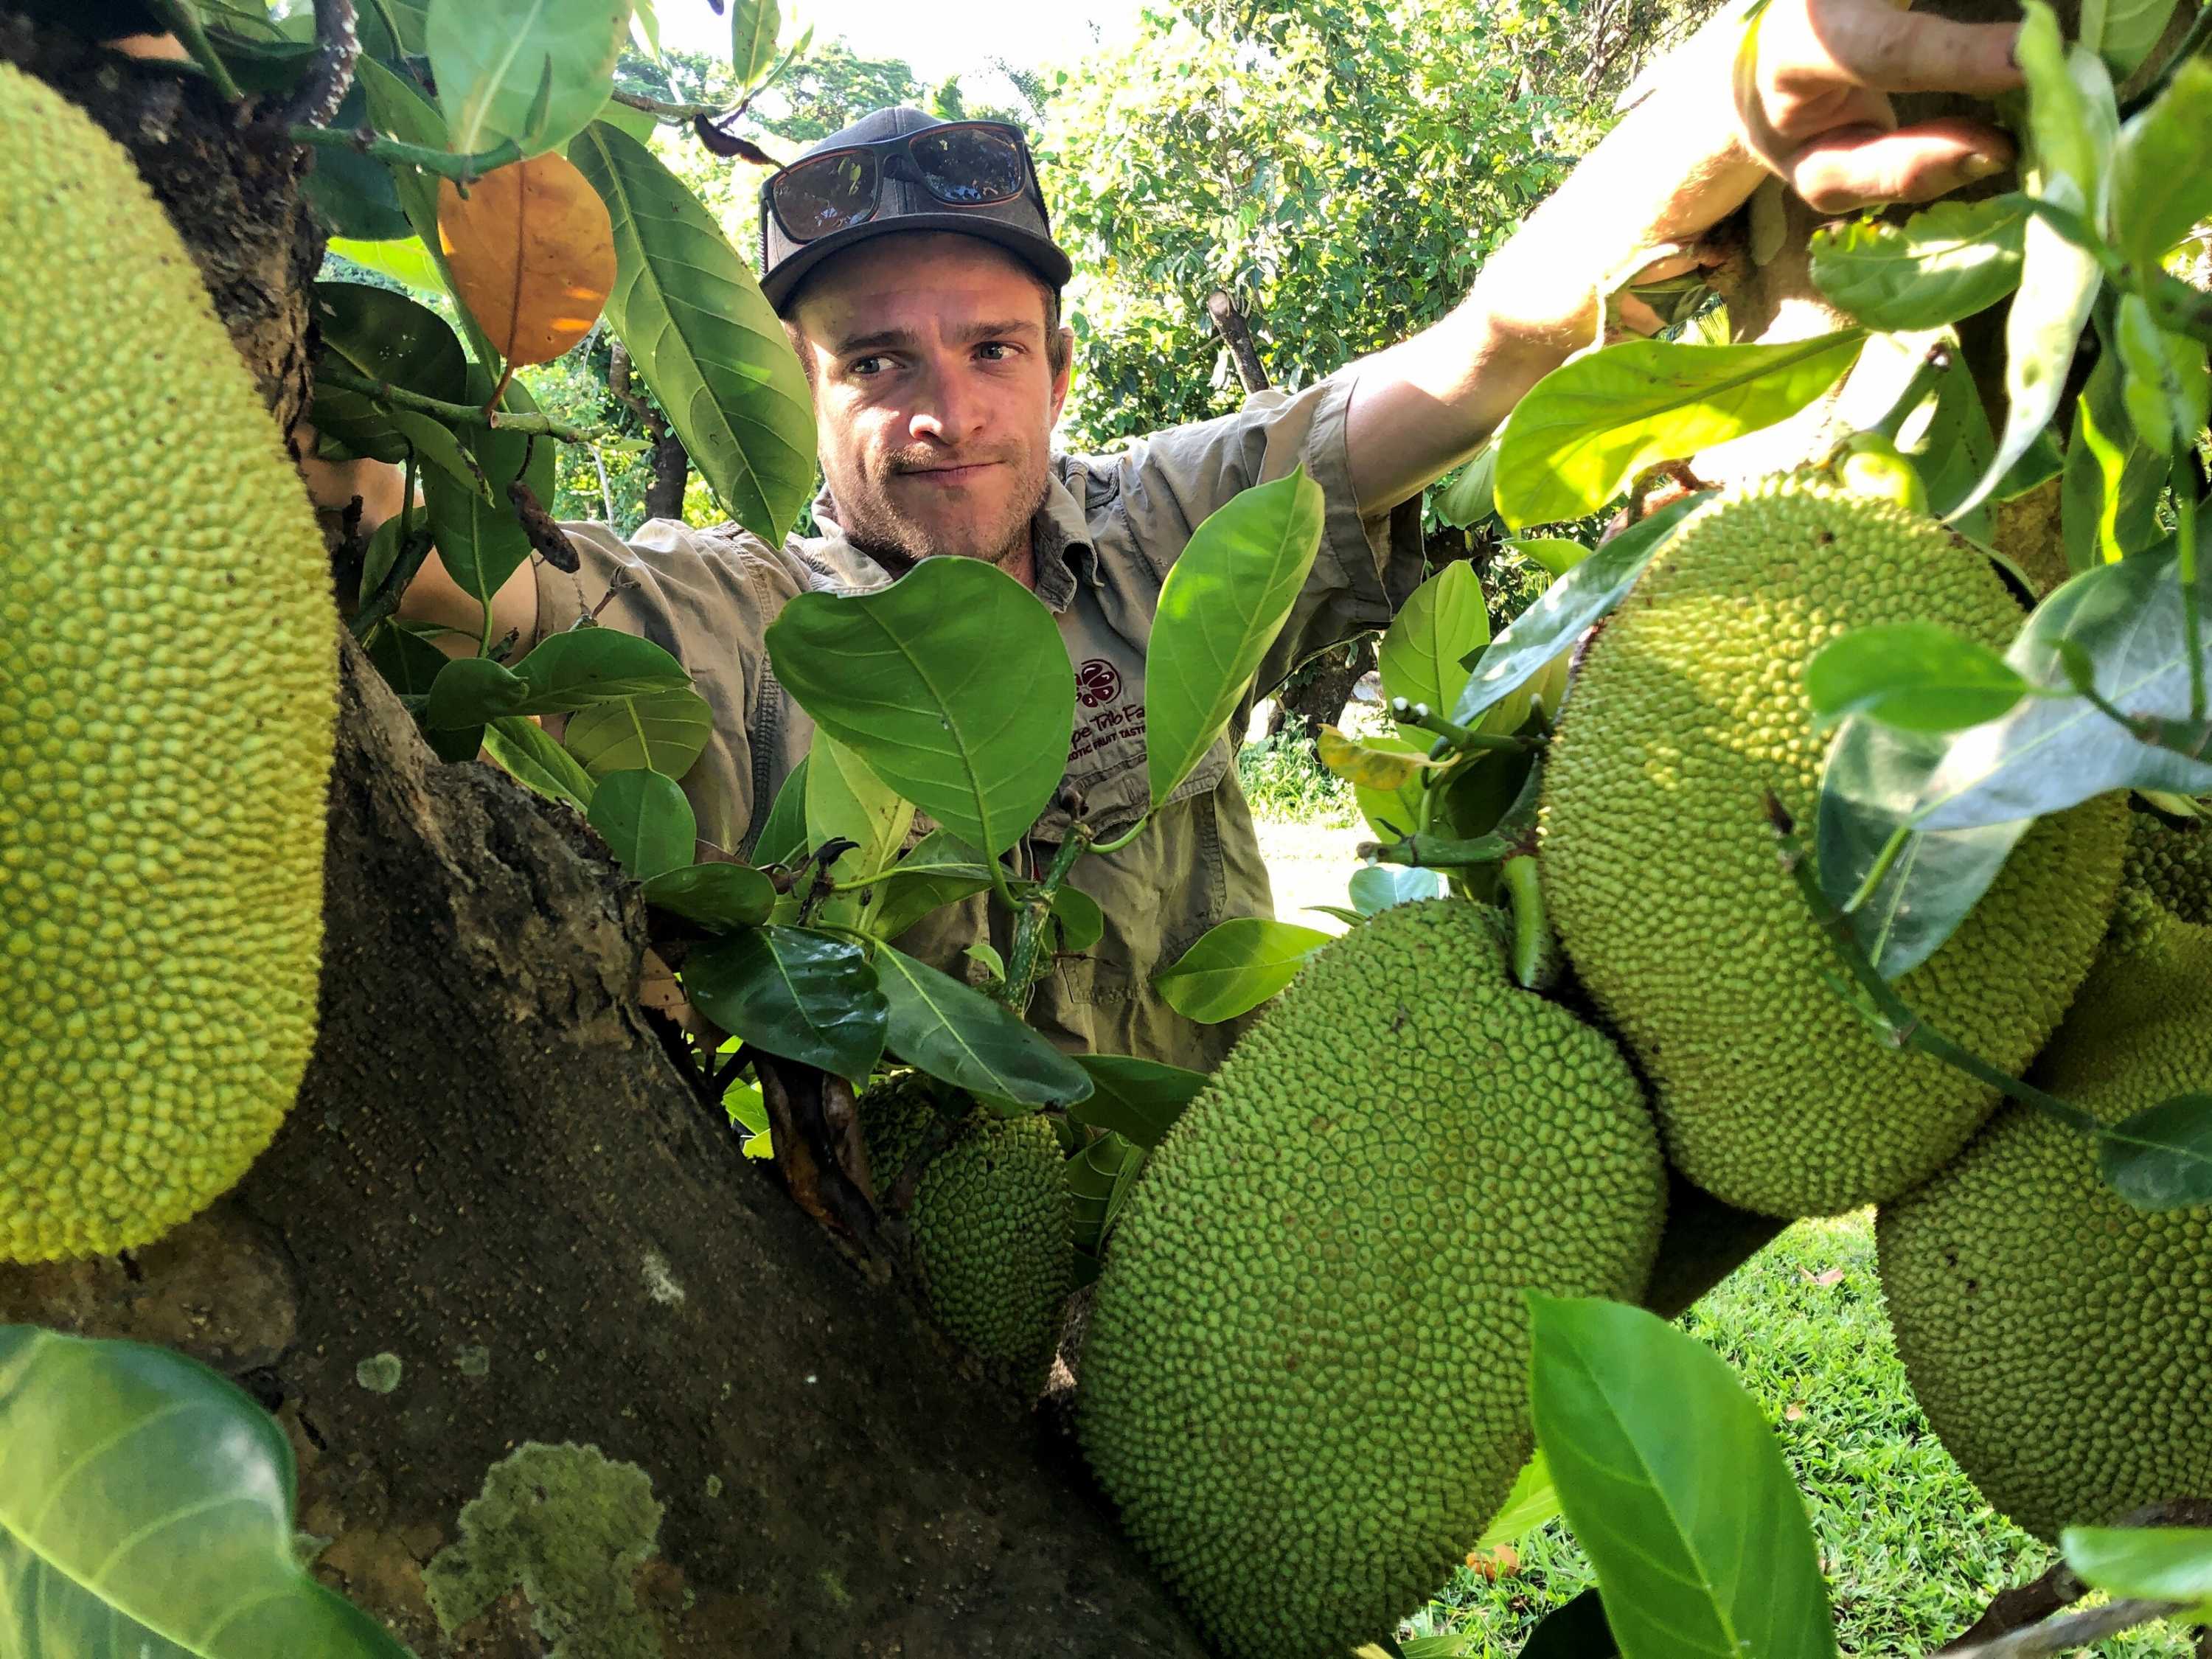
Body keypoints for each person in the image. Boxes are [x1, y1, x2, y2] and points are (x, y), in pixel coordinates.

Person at [304, 0, 2025, 1069]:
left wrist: (1734, 102)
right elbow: (483, 570)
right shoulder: (751, 620)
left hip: (1227, 1282)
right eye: (877, 361)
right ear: (806, 391)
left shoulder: (1170, 529)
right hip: (894, 1328)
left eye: (991, 353)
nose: (947, 412)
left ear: (1058, 366)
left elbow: (1481, 352)